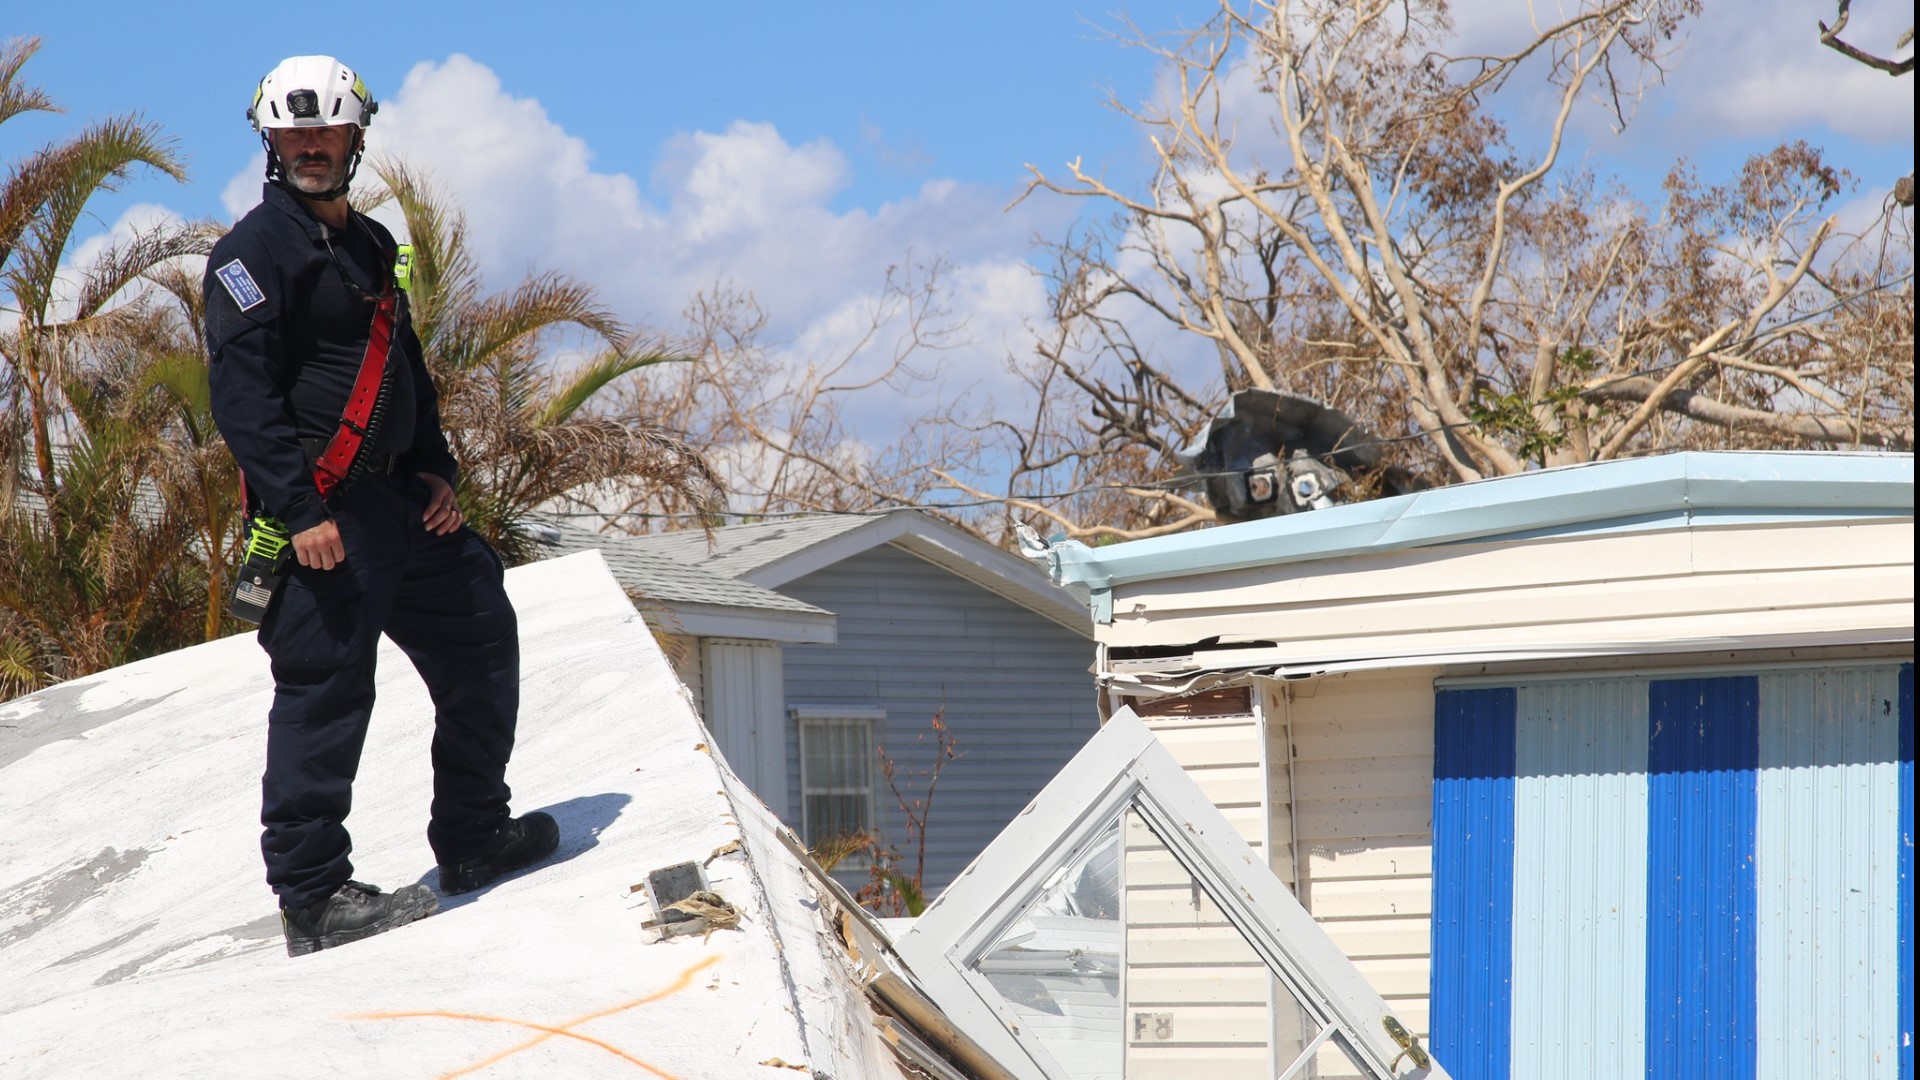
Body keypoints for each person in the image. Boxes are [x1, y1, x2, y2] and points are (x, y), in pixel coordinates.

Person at [204, 55, 559, 956]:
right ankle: (313, 899)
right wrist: (301, 510)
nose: (311, 146)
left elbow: (406, 370)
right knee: (325, 695)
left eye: (326, 130)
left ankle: (474, 840)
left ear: (356, 137)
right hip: (323, 519)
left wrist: (436, 467)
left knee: (482, 632)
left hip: (404, 506)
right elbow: (243, 400)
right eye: (293, 133)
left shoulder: (369, 246)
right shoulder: (249, 255)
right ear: (270, 142)